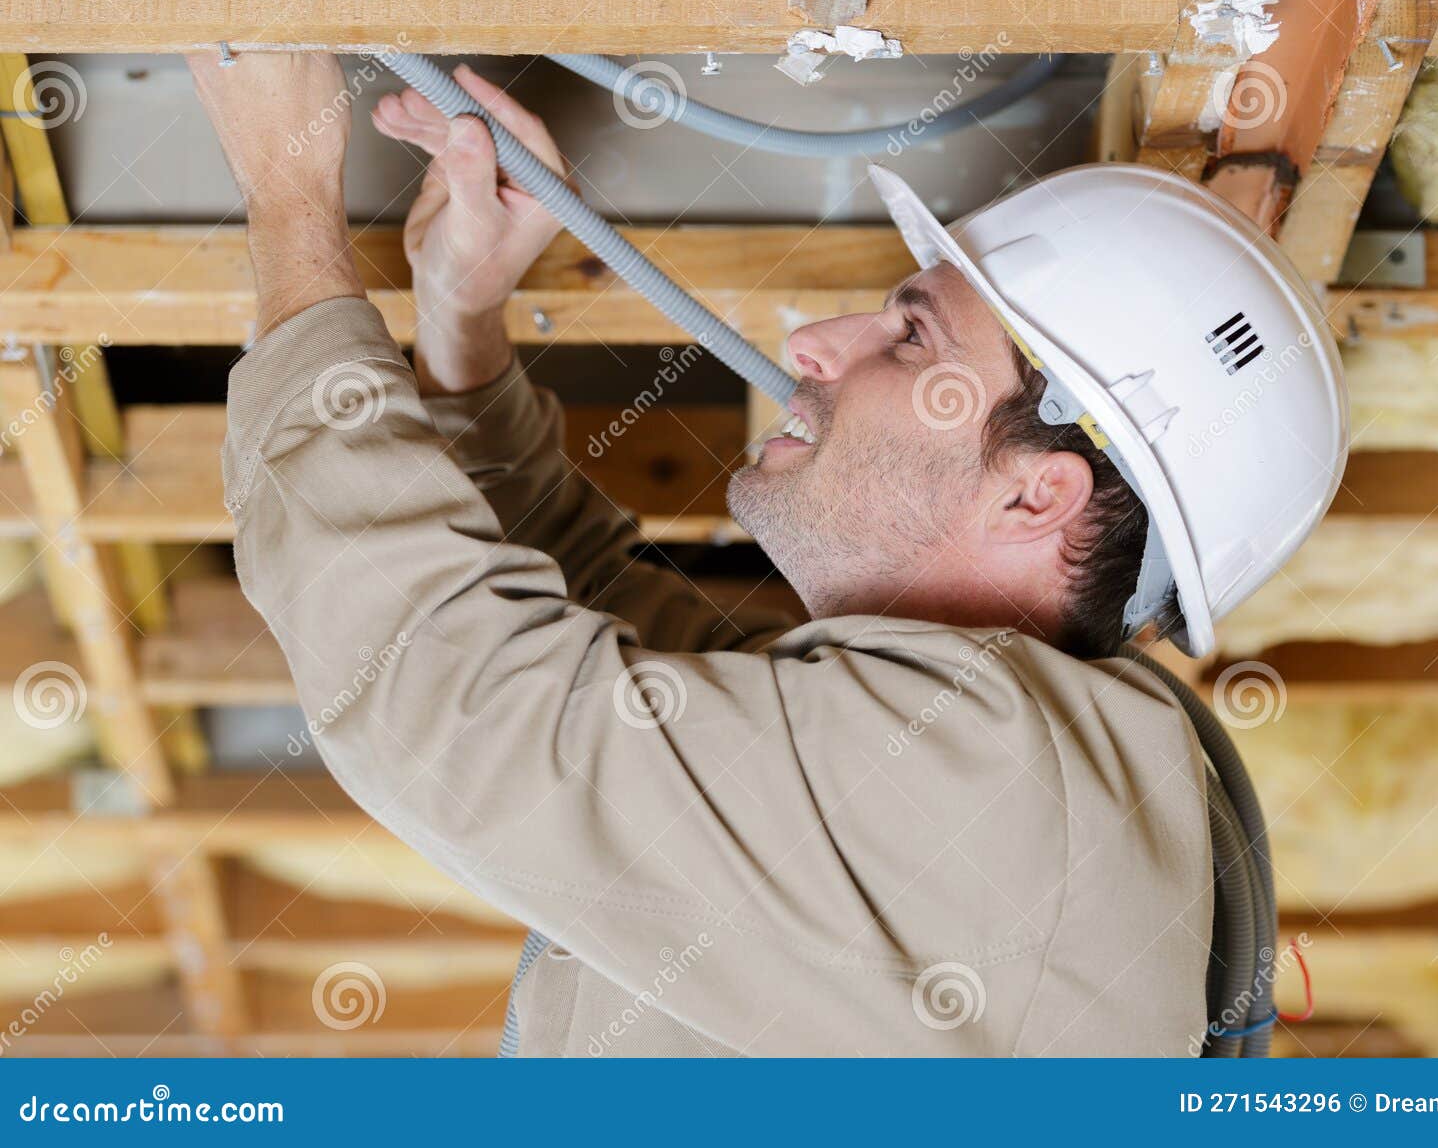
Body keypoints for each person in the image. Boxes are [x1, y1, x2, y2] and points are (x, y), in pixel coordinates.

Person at [188, 52, 1343, 1056]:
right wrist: (462, 323)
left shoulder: (1001, 789)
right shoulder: (1000, 766)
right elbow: (596, 646)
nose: (816, 343)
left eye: (910, 336)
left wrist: (289, 203)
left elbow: (463, 706)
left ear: (1038, 493)